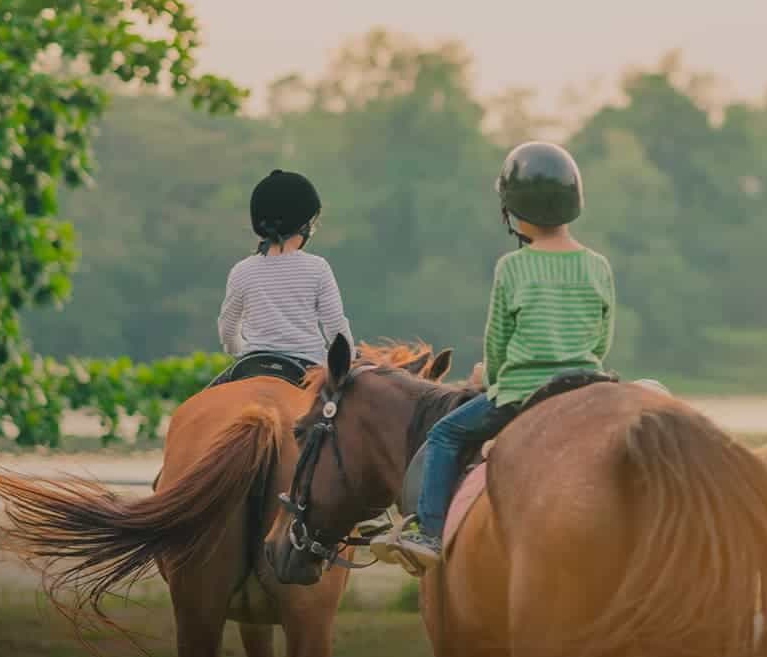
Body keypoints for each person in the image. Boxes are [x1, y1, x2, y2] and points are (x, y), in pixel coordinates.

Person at [372, 141, 616, 570]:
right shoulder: (598, 266)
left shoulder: (513, 267)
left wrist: (491, 374)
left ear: (514, 212)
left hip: (524, 393)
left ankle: (427, 533)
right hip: (587, 391)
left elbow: (498, 341)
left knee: (445, 436)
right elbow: (601, 341)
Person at [217, 169, 354, 369]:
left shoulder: (242, 271)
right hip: (309, 367)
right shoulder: (318, 268)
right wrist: (350, 362)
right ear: (305, 225)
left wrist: (242, 352)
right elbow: (336, 329)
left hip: (252, 365)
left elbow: (228, 331)